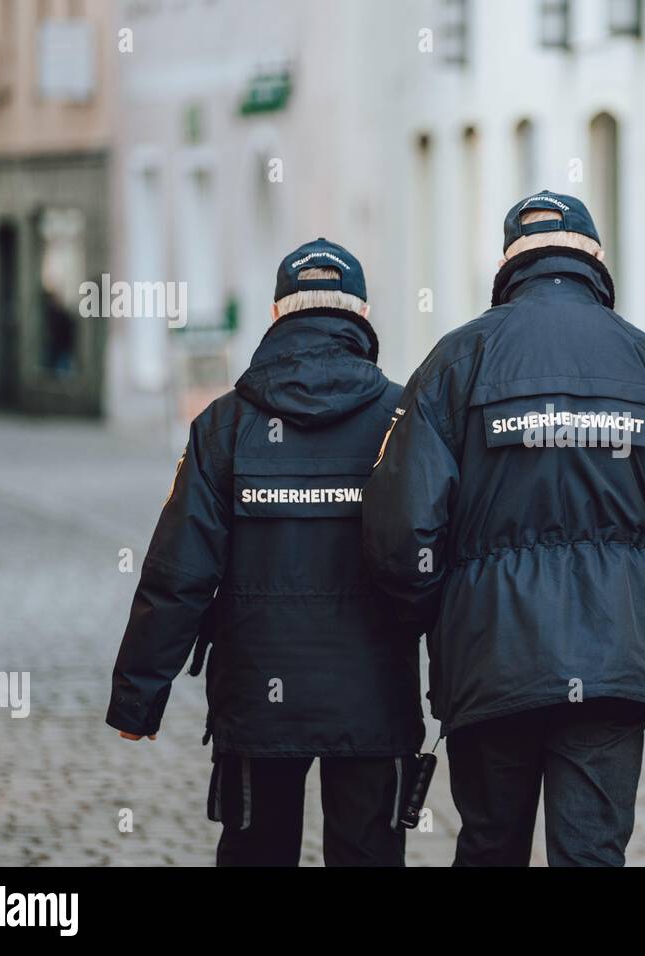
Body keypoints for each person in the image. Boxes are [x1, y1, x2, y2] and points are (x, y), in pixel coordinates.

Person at [361, 191, 645, 866]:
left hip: (490, 651)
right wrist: (642, 614)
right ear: (595, 261)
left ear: (510, 267)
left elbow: (401, 527)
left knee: (489, 845)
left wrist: (441, 616)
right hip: (615, 661)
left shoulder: (457, 360)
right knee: (591, 852)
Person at [106, 238, 424, 866]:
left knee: (256, 855)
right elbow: (433, 557)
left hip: (257, 695)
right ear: (360, 316)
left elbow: (179, 573)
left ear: (277, 317)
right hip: (374, 694)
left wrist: (139, 699)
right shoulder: (403, 418)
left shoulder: (223, 426)